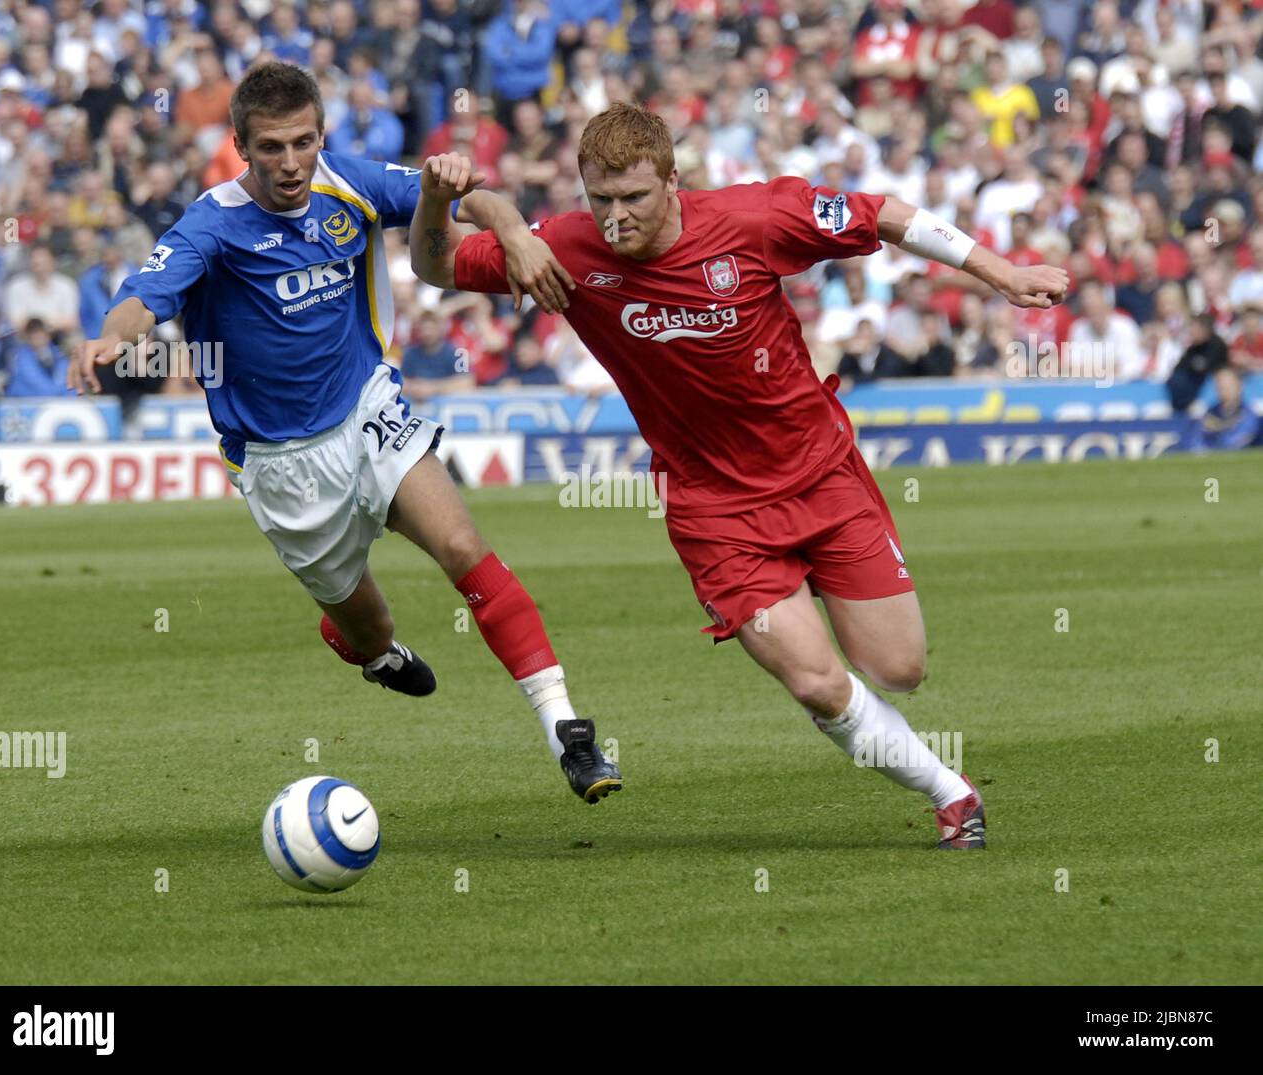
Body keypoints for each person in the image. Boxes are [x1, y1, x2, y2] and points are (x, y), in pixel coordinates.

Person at [413, 103, 1070, 849]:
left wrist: (1001, 272)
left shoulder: (757, 217)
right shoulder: (561, 248)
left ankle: (842, 609)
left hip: (821, 472)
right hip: (713, 505)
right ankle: (952, 794)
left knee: (900, 667)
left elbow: (884, 213)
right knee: (817, 682)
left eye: (634, 197)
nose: (616, 217)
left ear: (672, 180)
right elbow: (433, 264)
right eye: (600, 200)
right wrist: (460, 206)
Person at [67, 63, 620, 805]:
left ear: (321, 134)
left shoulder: (348, 183)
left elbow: (465, 192)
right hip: (279, 462)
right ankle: (365, 647)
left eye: (303, 142)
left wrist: (510, 227)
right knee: (368, 627)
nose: (291, 163)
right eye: (271, 148)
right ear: (240, 146)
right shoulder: (212, 223)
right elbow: (144, 296)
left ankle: (566, 730)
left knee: (463, 546)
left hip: (367, 409)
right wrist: (108, 339)